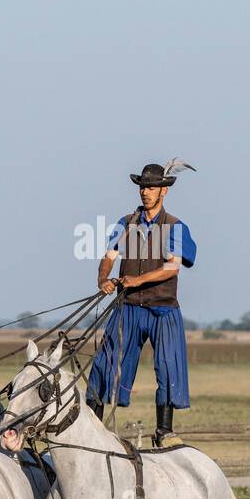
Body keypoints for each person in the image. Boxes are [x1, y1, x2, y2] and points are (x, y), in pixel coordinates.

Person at [87, 161, 197, 447]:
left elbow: (171, 269)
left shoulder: (175, 226)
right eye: (142, 187)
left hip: (163, 308)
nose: (144, 192)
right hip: (129, 307)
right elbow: (109, 255)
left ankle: (164, 431)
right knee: (105, 362)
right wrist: (104, 279)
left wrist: (136, 280)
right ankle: (94, 429)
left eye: (150, 187)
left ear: (164, 192)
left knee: (169, 364)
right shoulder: (126, 223)